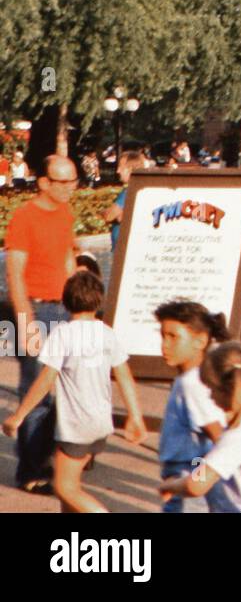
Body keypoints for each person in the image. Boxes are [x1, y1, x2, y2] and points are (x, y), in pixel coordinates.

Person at [2, 272, 147, 512]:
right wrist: (135, 416)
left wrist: (18, 416)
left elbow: (44, 381)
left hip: (76, 425)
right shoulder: (107, 334)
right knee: (71, 489)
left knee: (64, 488)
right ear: (98, 301)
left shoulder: (62, 334)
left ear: (65, 302)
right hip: (100, 423)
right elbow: (124, 376)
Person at [3, 154, 78, 492]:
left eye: (73, 180)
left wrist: (80, 306)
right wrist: (26, 323)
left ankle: (59, 459)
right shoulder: (24, 218)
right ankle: (31, 473)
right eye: (62, 182)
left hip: (64, 309)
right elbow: (15, 274)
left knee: (68, 389)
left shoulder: (64, 213)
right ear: (44, 182)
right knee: (37, 393)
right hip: (37, 311)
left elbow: (68, 259)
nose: (70, 188)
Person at [161, 342, 241, 513]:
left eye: (211, 389)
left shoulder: (239, 435)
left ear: (227, 390)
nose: (210, 396)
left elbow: (196, 485)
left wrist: (172, 485)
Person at [154, 301, 235, 513]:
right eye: (163, 336)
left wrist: (194, 481)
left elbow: (218, 437)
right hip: (182, 477)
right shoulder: (192, 378)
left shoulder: (192, 383)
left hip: (187, 475)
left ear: (200, 340)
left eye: (173, 337)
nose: (165, 344)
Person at [101, 150, 145, 251]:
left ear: (130, 169)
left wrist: (104, 212)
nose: (118, 171)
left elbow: (109, 216)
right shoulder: (142, 190)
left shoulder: (128, 192)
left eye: (121, 167)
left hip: (122, 251)